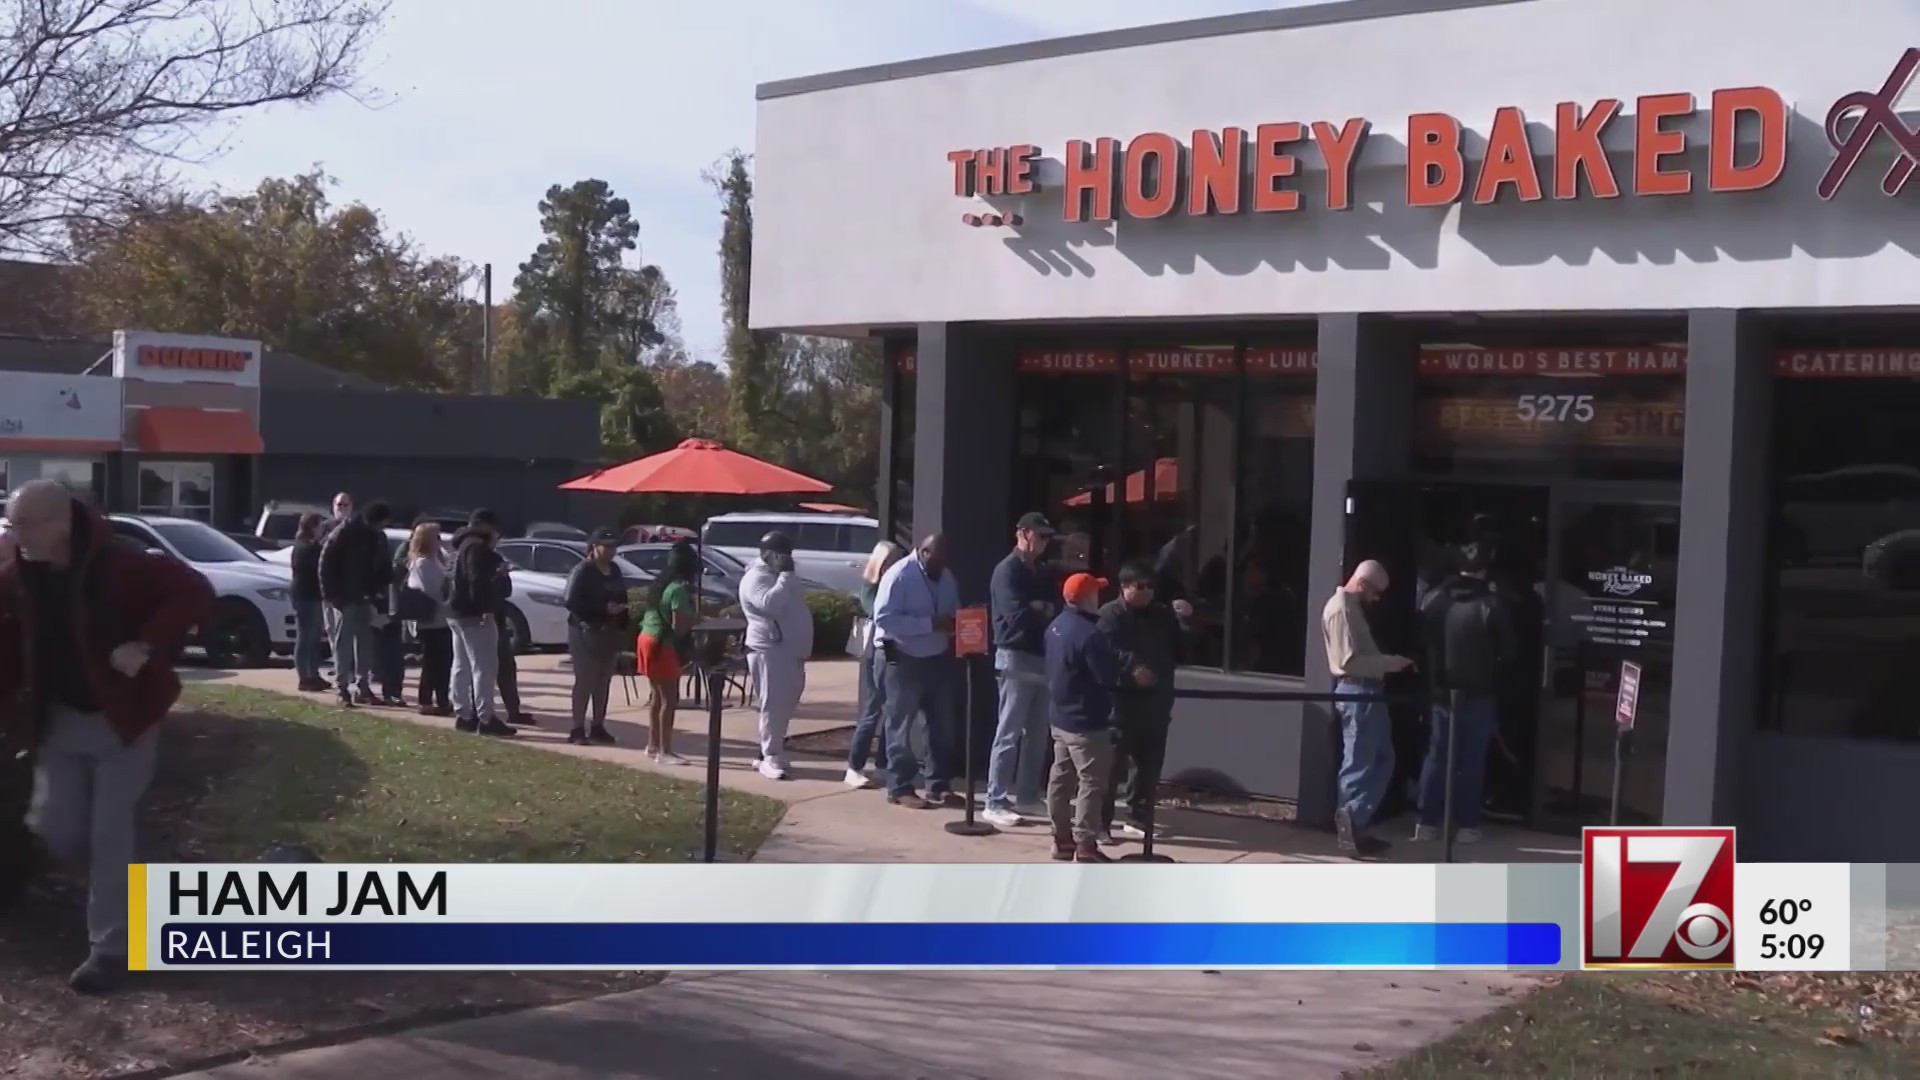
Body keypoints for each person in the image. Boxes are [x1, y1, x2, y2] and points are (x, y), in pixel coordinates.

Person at [0, 479, 214, 992]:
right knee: (60, 831)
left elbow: (195, 591)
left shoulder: (122, 564)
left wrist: (146, 644)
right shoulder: (15, 580)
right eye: (12, 523)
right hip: (60, 723)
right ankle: (142, 891)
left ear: (60, 522)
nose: (15, 533)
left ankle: (111, 950)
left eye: (24, 523)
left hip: (125, 720)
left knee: (109, 830)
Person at [1414, 542, 1515, 845]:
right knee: (1472, 761)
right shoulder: (1491, 604)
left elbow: (1419, 641)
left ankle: (1426, 823)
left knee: (1437, 757)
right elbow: (1510, 650)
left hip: (1440, 694)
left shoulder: (1433, 600)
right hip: (1479, 694)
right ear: (1484, 568)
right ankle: (1467, 825)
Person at [1322, 559, 1416, 856]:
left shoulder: (1350, 608)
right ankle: (1350, 821)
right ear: (1362, 583)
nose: (1376, 599)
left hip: (1366, 690)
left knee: (1380, 757)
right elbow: (1349, 662)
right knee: (1361, 761)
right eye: (1374, 592)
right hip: (1358, 689)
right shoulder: (1341, 610)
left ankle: (1354, 821)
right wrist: (1392, 663)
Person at [1097, 559, 1194, 843]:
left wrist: (1185, 620)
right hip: (1121, 703)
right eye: (1141, 586)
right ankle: (1101, 822)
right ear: (1125, 587)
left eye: (1151, 586)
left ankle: (1139, 816)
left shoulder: (1161, 615)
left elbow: (1183, 647)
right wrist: (1132, 667)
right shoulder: (1110, 615)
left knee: (1148, 765)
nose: (1148, 592)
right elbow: (1106, 650)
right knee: (1112, 766)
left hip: (1156, 701)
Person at [1045, 572, 1129, 863]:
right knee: (1091, 782)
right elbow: (1106, 676)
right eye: (1096, 592)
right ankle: (1086, 846)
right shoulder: (1090, 634)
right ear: (1086, 598)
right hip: (1086, 722)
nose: (1099, 597)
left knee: (1060, 778)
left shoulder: (1055, 626)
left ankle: (1061, 839)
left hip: (1059, 718)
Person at [873, 532, 961, 809]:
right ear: (922, 552)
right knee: (899, 722)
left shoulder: (946, 576)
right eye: (936, 561)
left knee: (941, 723)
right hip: (899, 655)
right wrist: (929, 624)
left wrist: (959, 622)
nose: (941, 568)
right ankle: (899, 786)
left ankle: (938, 785)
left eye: (945, 562)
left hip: (936, 656)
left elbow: (953, 609)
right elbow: (884, 618)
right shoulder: (899, 575)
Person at [982, 512, 1058, 827]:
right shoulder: (1006, 571)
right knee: (1009, 731)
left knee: (1039, 732)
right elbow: (1015, 616)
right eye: (1040, 536)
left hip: (1041, 656)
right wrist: (1037, 610)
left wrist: (1039, 609)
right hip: (1014, 655)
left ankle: (1026, 795)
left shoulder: (1041, 571)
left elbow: (1055, 607)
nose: (1044, 543)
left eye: (1047, 537)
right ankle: (994, 800)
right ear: (1023, 533)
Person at [740, 531, 813, 780]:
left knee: (787, 702)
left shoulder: (780, 576)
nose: (789, 559)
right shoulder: (756, 577)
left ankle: (769, 751)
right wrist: (785, 576)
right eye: (784, 553)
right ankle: (769, 757)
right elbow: (770, 605)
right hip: (769, 650)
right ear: (769, 554)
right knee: (773, 704)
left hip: (789, 650)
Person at [447, 509, 516, 737]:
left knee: (461, 665)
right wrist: (486, 607)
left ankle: (463, 714)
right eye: (495, 529)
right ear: (486, 526)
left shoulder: (460, 545)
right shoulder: (478, 548)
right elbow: (478, 580)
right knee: (484, 667)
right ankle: (486, 718)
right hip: (476, 614)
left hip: (456, 612)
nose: (497, 534)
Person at [318, 500, 393, 709]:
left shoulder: (376, 536)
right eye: (382, 523)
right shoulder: (345, 533)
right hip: (345, 596)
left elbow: (380, 565)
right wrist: (332, 595)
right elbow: (325, 564)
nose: (383, 528)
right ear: (373, 520)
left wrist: (380, 590)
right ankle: (342, 687)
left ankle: (363, 686)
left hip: (365, 596)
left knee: (365, 643)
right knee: (344, 643)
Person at [844, 540, 903, 788]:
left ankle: (883, 763)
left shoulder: (896, 583)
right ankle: (854, 766)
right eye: (892, 560)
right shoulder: (872, 587)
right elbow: (877, 612)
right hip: (875, 650)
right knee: (873, 709)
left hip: (892, 648)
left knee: (893, 707)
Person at [564, 528, 630, 746]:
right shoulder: (583, 570)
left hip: (609, 632)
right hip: (585, 630)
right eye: (606, 546)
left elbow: (622, 594)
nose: (611, 551)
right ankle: (576, 728)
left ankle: (598, 725)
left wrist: (622, 616)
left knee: (603, 680)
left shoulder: (615, 570)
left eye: (614, 546)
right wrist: (602, 608)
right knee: (585, 680)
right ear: (594, 547)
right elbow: (570, 601)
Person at [635, 539, 697, 764]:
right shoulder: (679, 589)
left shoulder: (660, 584)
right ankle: (665, 752)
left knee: (656, 698)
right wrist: (695, 619)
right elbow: (678, 627)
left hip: (645, 638)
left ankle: (652, 745)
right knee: (670, 700)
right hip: (661, 644)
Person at [405, 523, 454, 717]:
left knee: (444, 662)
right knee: (433, 663)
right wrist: (446, 591)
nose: (439, 540)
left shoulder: (437, 558)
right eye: (436, 536)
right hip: (430, 621)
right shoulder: (421, 563)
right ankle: (426, 701)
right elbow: (428, 590)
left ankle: (443, 700)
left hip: (442, 619)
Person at [288, 512, 329, 692]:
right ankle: (304, 677)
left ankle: (314, 674)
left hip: (315, 596)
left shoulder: (314, 546)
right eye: (319, 525)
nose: (322, 529)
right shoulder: (303, 547)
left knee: (314, 638)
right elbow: (311, 570)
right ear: (311, 527)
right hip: (305, 596)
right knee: (305, 637)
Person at [373, 521, 410, 706]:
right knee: (383, 652)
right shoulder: (373, 561)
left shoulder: (387, 564)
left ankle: (392, 691)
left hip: (388, 608)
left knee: (392, 653)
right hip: (375, 606)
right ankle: (382, 689)